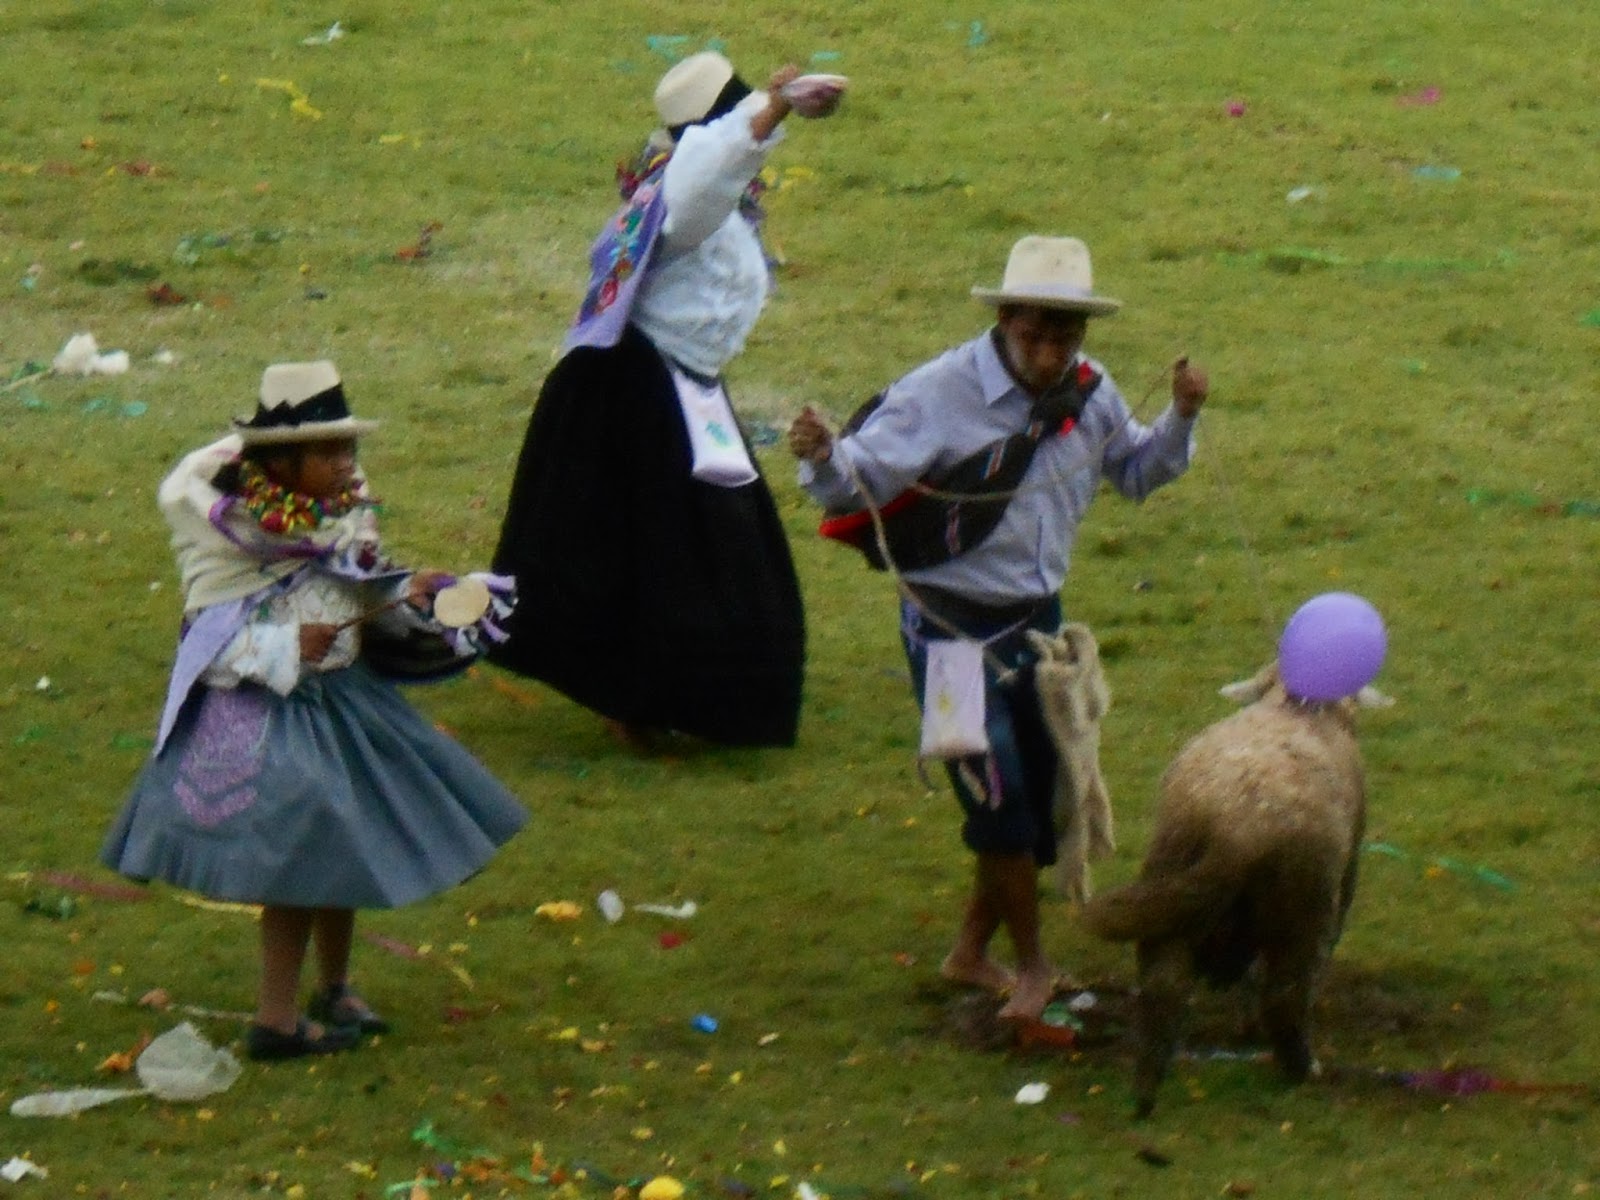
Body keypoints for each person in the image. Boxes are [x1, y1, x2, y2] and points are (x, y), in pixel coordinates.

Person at [788, 236, 1210, 1020]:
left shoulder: (1092, 393)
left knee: (1037, 796)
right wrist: (820, 457)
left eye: (1065, 339)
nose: (1050, 356)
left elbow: (1135, 473)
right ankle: (1034, 967)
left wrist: (1181, 416)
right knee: (998, 800)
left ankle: (969, 954)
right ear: (1006, 321)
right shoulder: (937, 392)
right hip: (946, 633)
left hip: (1038, 629)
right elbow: (854, 483)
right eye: (1033, 337)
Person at [101, 361, 528, 1060]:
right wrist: (284, 645)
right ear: (281, 460)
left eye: (347, 448)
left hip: (343, 703)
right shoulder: (226, 537)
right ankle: (275, 1019)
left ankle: (335, 987)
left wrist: (412, 594)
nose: (344, 464)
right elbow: (207, 646)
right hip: (266, 715)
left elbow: (357, 586)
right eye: (328, 452)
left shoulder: (343, 513)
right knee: (298, 856)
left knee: (345, 840)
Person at [488, 51, 838, 751]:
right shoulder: (684, 194)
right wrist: (772, 109)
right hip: (638, 391)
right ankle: (645, 697)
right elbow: (710, 170)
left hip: (672, 382)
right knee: (670, 551)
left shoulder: (686, 195)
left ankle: (672, 693)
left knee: (681, 546)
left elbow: (718, 169)